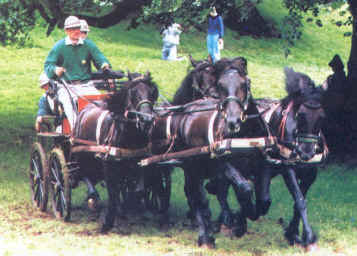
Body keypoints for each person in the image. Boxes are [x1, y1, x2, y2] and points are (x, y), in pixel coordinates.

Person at [44, 15, 111, 130]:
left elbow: (99, 58)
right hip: (66, 86)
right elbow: (48, 66)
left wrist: (104, 64)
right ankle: (76, 131)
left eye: (78, 28)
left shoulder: (88, 45)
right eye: (73, 29)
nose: (76, 31)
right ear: (66, 31)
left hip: (86, 84)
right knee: (69, 106)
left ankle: (100, 128)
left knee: (100, 102)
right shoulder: (59, 47)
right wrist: (56, 70)